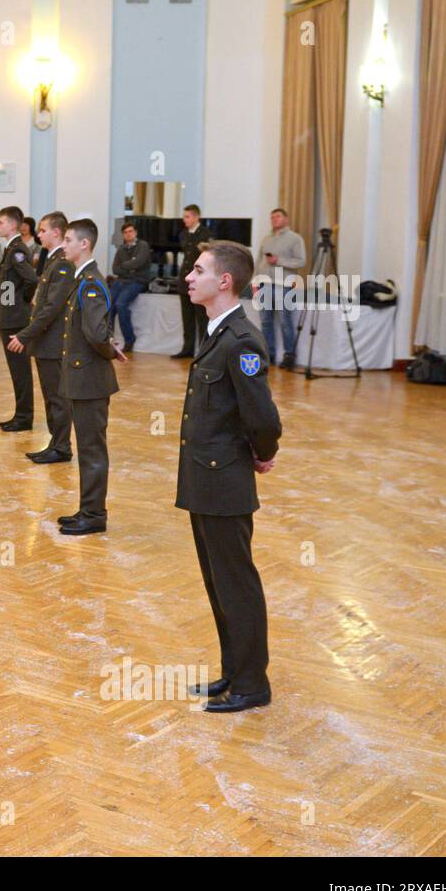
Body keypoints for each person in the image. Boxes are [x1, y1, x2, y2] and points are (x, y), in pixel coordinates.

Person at [178, 241, 282, 712]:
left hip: (224, 482)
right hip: (206, 479)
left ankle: (252, 685)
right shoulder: (218, 331)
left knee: (236, 583)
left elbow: (262, 416)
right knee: (219, 583)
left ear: (224, 282)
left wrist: (264, 454)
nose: (188, 277)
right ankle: (233, 672)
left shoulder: (241, 339)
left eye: (198, 270)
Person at [50, 219, 126, 536]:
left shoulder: (91, 282)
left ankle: (94, 515)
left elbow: (95, 333)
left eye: (68, 240)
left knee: (92, 450)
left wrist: (109, 350)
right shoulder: (83, 279)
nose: (63, 245)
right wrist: (109, 346)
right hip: (84, 378)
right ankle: (87, 508)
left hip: (90, 380)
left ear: (84, 244)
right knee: (87, 448)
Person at [8, 212, 75, 464]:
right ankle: (56, 443)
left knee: (57, 397)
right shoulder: (54, 258)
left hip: (53, 342)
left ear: (56, 232)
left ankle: (61, 446)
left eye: (43, 230)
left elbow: (51, 307)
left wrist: (25, 334)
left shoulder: (63, 262)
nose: (39, 234)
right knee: (51, 396)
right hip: (45, 341)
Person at [0, 206, 40, 431]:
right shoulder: (11, 248)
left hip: (15, 318)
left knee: (20, 370)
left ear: (13, 225)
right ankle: (21, 414)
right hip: (9, 315)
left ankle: (24, 418)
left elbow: (31, 279)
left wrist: (20, 301)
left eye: (1, 222)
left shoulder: (16, 250)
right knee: (16, 370)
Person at [254, 208, 306, 370]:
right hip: (264, 285)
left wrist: (279, 260)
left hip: (283, 285)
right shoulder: (266, 239)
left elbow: (301, 262)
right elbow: (258, 261)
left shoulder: (295, 239)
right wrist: (255, 283)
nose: (274, 220)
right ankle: (268, 354)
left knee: (285, 322)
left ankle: (289, 355)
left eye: (277, 217)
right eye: (272, 217)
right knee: (266, 322)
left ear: (286, 218)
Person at [172, 204, 212, 359]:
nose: (185, 220)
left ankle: (203, 350)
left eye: (187, 216)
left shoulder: (206, 234)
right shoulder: (183, 233)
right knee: (187, 317)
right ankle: (187, 348)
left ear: (196, 217)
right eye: (184, 216)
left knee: (201, 318)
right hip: (185, 279)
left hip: (200, 280)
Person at [108, 222, 153, 353]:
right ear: (123, 235)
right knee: (108, 305)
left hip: (138, 281)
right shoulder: (121, 249)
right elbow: (115, 269)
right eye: (126, 232)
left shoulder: (143, 246)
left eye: (131, 231)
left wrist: (124, 267)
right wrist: (130, 268)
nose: (128, 234)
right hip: (121, 280)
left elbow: (139, 261)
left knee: (121, 304)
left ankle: (129, 339)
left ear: (136, 232)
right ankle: (108, 339)